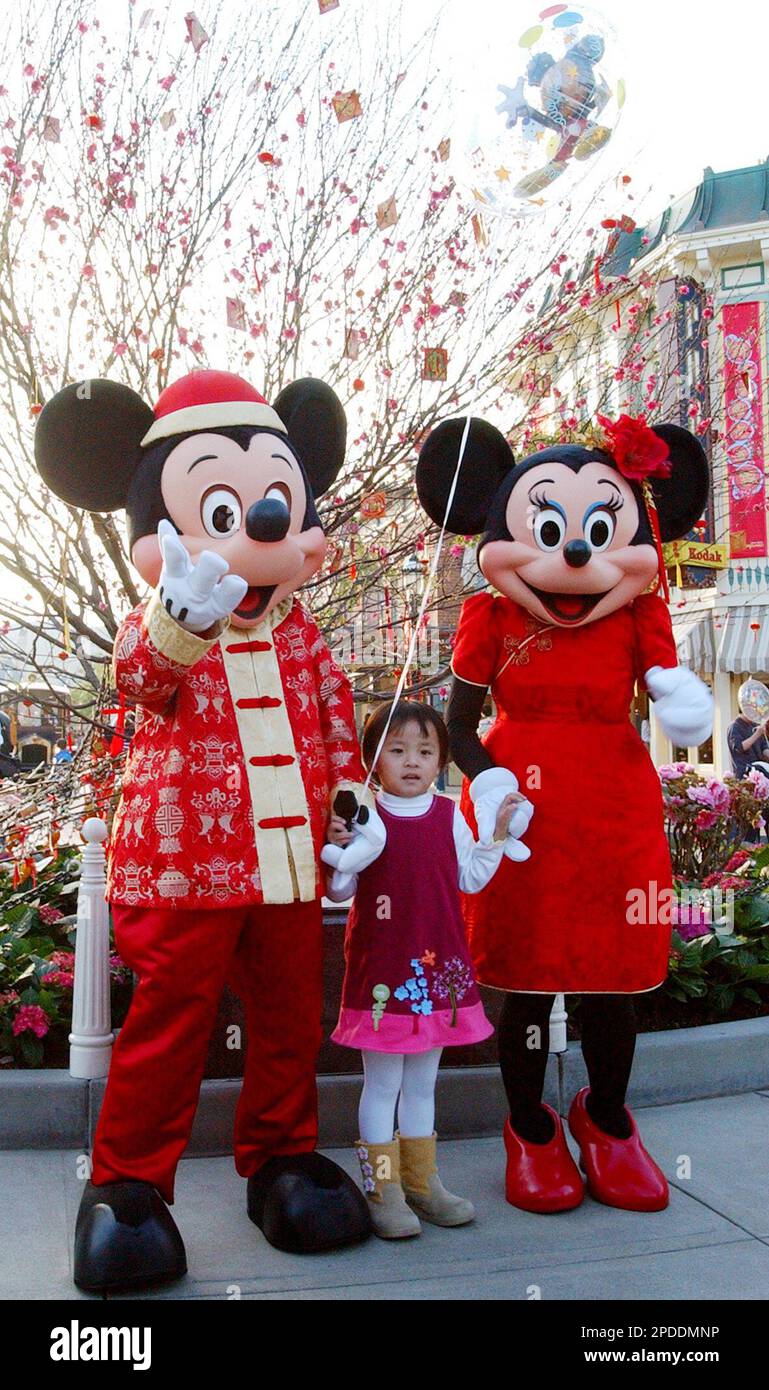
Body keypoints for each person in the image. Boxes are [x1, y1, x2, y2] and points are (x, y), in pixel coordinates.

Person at [323, 699, 524, 1239]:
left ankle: (422, 1182)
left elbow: (471, 878)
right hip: (382, 972)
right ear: (374, 761)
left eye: (425, 751)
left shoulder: (449, 816)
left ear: (441, 763)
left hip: (439, 973)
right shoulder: (369, 817)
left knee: (422, 1084)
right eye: (397, 750)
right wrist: (339, 846)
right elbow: (341, 889)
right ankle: (382, 1188)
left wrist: (498, 834)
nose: (411, 761)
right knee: (382, 1083)